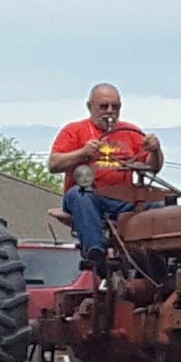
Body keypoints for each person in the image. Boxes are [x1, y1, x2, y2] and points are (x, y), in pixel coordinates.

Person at [48, 83, 163, 270]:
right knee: (80, 194)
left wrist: (155, 150)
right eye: (104, 107)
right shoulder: (73, 131)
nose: (110, 111)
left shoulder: (131, 132)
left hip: (124, 199)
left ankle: (159, 257)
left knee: (161, 202)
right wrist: (83, 153)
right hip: (91, 197)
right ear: (90, 107)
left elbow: (153, 167)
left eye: (115, 107)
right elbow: (54, 164)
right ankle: (96, 252)